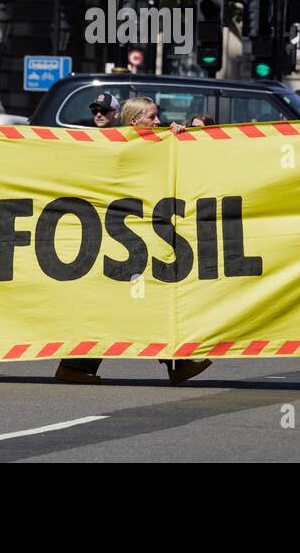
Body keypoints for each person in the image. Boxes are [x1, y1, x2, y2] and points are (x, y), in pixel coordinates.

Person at [56, 97, 208, 386]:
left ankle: (176, 363)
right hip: (117, 238)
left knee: (146, 300)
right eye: (152, 117)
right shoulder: (118, 146)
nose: (158, 122)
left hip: (139, 237)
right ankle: (75, 367)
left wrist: (178, 139)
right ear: (134, 121)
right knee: (116, 305)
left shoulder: (155, 144)